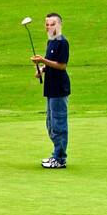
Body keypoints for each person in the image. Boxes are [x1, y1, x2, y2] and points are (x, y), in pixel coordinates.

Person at [32, 13, 71, 168]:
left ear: (59, 25)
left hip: (60, 88)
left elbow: (61, 65)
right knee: (50, 123)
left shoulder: (62, 43)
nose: (49, 27)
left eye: (52, 24)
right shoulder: (51, 42)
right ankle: (56, 154)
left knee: (58, 124)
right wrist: (42, 69)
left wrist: (42, 60)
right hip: (50, 88)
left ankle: (60, 159)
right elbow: (51, 64)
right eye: (47, 24)